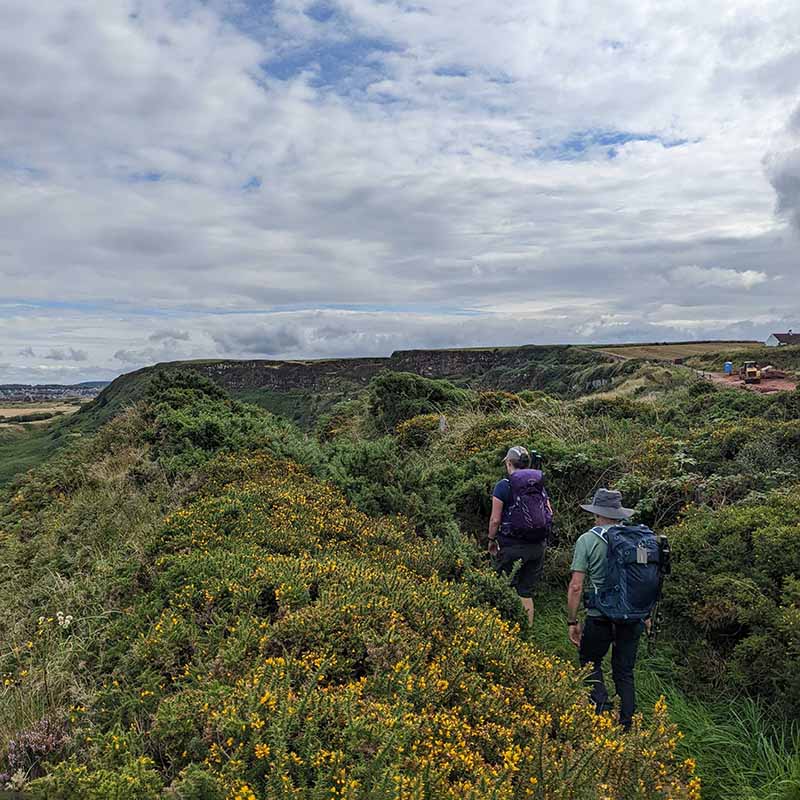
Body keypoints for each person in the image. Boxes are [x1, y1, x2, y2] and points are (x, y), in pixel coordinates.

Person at [567, 488, 648, 731]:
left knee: (590, 661)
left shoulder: (587, 540)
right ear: (619, 514)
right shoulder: (639, 539)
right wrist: (646, 614)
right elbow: (642, 579)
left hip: (600, 616)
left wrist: (572, 621)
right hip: (632, 615)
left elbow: (576, 585)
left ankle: (601, 713)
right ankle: (626, 725)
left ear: (597, 514)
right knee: (624, 671)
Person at [488, 446, 553, 626]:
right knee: (525, 592)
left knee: (501, 588)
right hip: (538, 546)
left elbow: (495, 520)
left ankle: (499, 632)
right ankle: (527, 632)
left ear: (509, 463)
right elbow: (549, 512)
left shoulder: (504, 485)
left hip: (511, 546)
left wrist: (491, 540)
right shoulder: (538, 485)